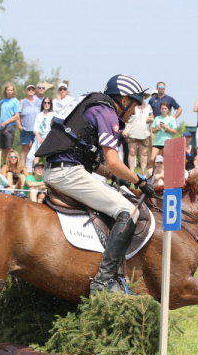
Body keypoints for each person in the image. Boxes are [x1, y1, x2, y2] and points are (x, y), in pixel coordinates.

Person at [35, 74, 156, 294]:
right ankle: (103, 281)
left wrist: (113, 175)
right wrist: (139, 180)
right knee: (129, 211)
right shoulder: (107, 112)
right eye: (135, 105)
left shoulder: (94, 106)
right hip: (68, 174)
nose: (133, 113)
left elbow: (93, 161)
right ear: (124, 99)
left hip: (62, 169)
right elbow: (113, 160)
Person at [124, 90, 153, 175]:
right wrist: (126, 129)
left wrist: (150, 120)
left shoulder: (148, 106)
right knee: (132, 152)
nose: (142, 96)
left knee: (144, 153)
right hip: (132, 131)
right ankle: (132, 172)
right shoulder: (133, 106)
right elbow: (127, 119)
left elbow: (152, 118)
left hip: (144, 132)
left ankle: (143, 173)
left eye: (144, 95)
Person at [0, 83, 21, 164]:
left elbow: (16, 116)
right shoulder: (2, 101)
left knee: (8, 147)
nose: (9, 92)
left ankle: (12, 164)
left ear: (13, 91)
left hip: (9, 126)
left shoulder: (15, 101)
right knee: (3, 147)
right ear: (5, 91)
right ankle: (5, 164)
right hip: (1, 127)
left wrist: (6, 122)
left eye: (11, 90)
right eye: (8, 90)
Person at [18, 84, 43, 156]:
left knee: (34, 148)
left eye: (32, 90)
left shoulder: (39, 103)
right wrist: (19, 126)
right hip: (26, 128)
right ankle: (23, 165)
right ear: (26, 91)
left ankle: (33, 165)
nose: (31, 91)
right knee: (24, 147)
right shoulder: (22, 101)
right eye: (29, 89)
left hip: (36, 130)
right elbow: (17, 115)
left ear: (35, 91)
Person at [32, 96, 55, 169]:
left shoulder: (53, 115)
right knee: (32, 156)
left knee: (48, 156)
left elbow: (53, 128)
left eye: (48, 103)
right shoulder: (39, 115)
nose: (46, 104)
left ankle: (47, 171)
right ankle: (33, 171)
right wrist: (38, 138)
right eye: (45, 102)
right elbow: (36, 127)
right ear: (42, 104)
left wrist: (46, 138)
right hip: (38, 137)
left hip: (49, 138)